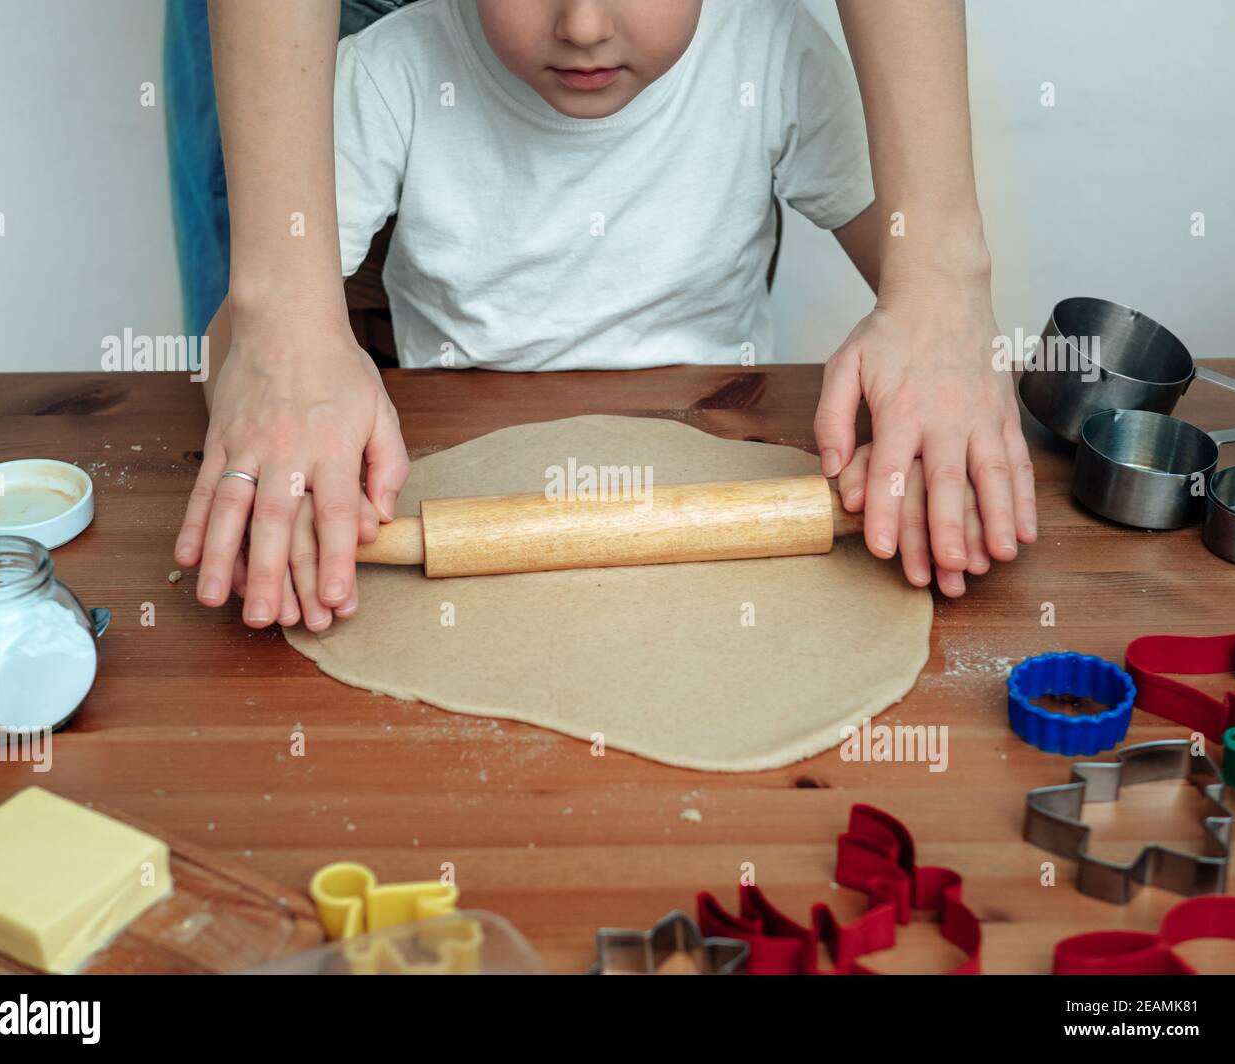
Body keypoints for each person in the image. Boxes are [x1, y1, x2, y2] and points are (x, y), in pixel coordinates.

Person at [171, 0, 1037, 632]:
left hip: (713, 517)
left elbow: (920, 304)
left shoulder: (773, 56)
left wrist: (938, 345)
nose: (583, 23)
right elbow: (253, 352)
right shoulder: (389, 74)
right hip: (461, 501)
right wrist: (271, 376)